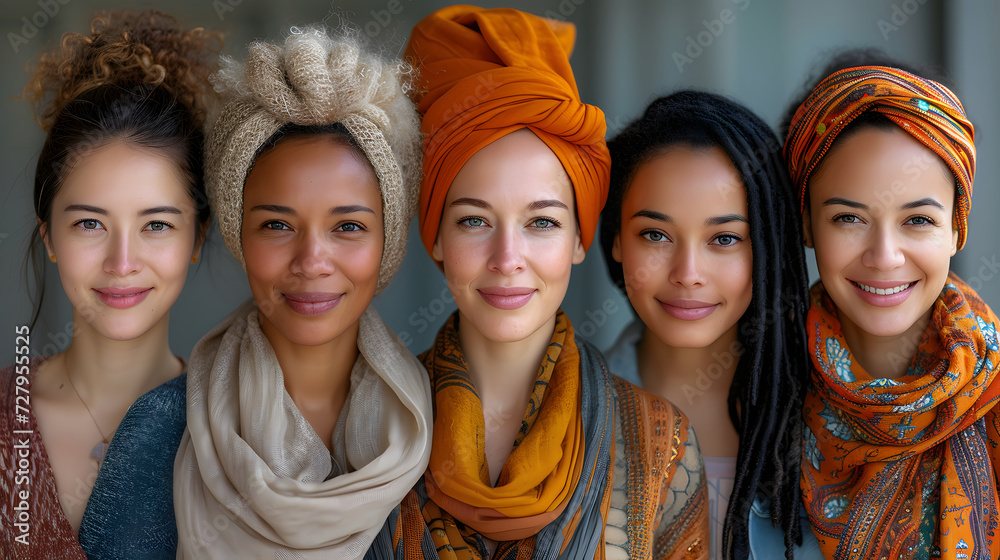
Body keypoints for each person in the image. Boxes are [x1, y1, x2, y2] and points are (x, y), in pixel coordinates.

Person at [395, 6, 709, 558]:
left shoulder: (660, 444)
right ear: (436, 237)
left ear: (580, 240)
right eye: (474, 220)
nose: (507, 258)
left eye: (542, 223)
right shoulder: (369, 428)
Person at [172, 25, 432, 559]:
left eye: (349, 227)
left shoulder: (447, 432)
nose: (312, 262)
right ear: (234, 230)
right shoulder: (165, 428)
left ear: (390, 239)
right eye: (276, 225)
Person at [0, 10, 218, 559]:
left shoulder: (233, 432)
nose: (123, 262)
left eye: (157, 225)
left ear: (197, 238)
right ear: (49, 236)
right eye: (90, 224)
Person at [783, 50, 999, 559]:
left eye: (918, 220)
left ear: (956, 228)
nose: (884, 257)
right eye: (848, 219)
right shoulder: (756, 391)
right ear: (808, 224)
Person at [599, 91, 819, 559]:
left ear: (768, 248)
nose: (688, 271)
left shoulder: (837, 430)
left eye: (724, 238)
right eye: (655, 234)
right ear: (617, 239)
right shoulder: (567, 424)